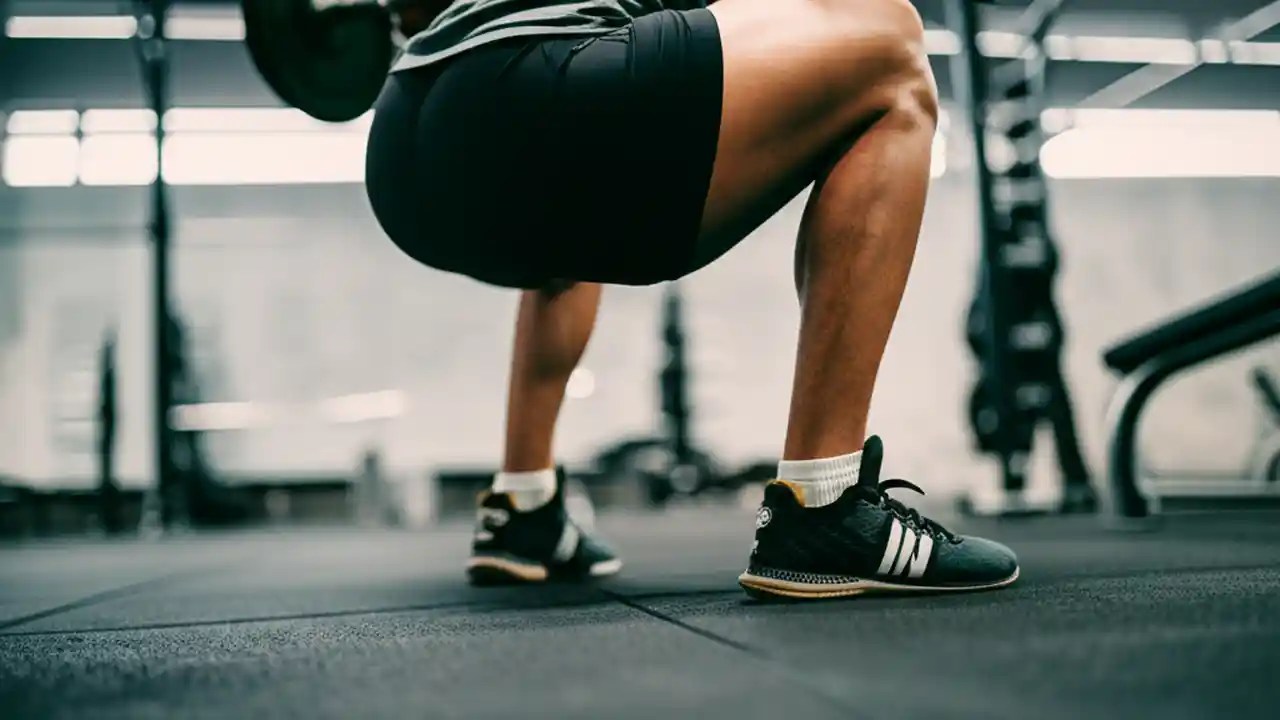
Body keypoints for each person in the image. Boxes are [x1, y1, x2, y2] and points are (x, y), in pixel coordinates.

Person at [365, 0, 1019, 599]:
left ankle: (524, 507)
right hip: (537, 98)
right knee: (892, 46)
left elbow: (414, 11)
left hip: (405, 142)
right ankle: (824, 503)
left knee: (569, 234)